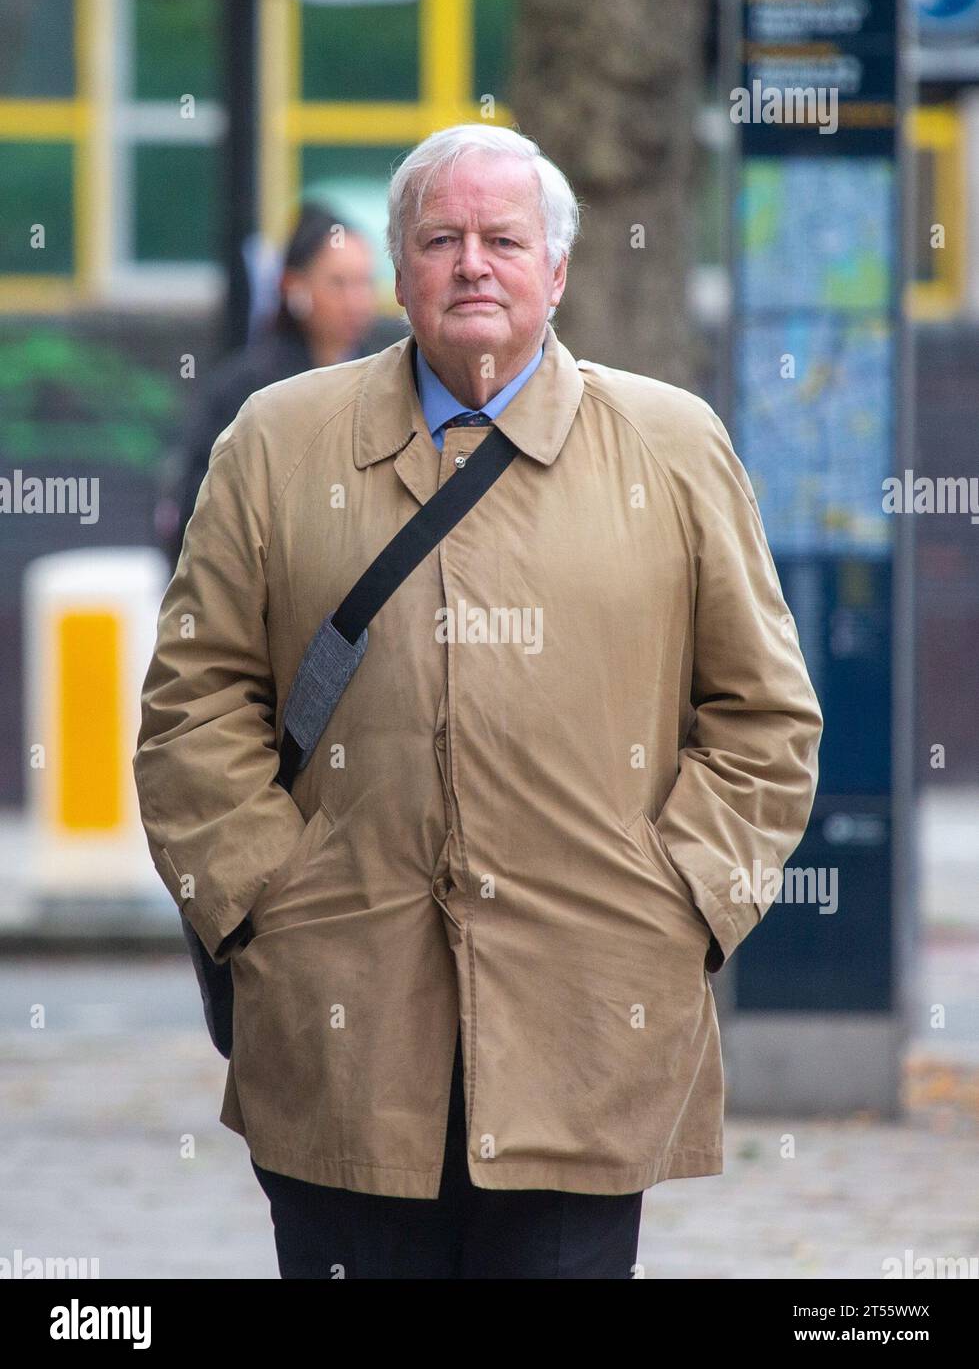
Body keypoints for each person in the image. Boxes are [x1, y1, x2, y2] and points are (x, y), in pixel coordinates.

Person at [133, 123, 823, 1279]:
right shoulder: (277, 442)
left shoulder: (671, 446)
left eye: (504, 239)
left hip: (589, 1027)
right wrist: (264, 910)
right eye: (440, 238)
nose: (471, 264)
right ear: (398, 271)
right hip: (342, 1024)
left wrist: (678, 906)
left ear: (556, 272)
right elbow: (192, 707)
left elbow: (765, 720)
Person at [155, 200, 406, 570]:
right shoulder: (244, 388)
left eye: (364, 282)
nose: (356, 301)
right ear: (293, 287)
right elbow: (201, 513)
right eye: (338, 283)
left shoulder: (393, 380)